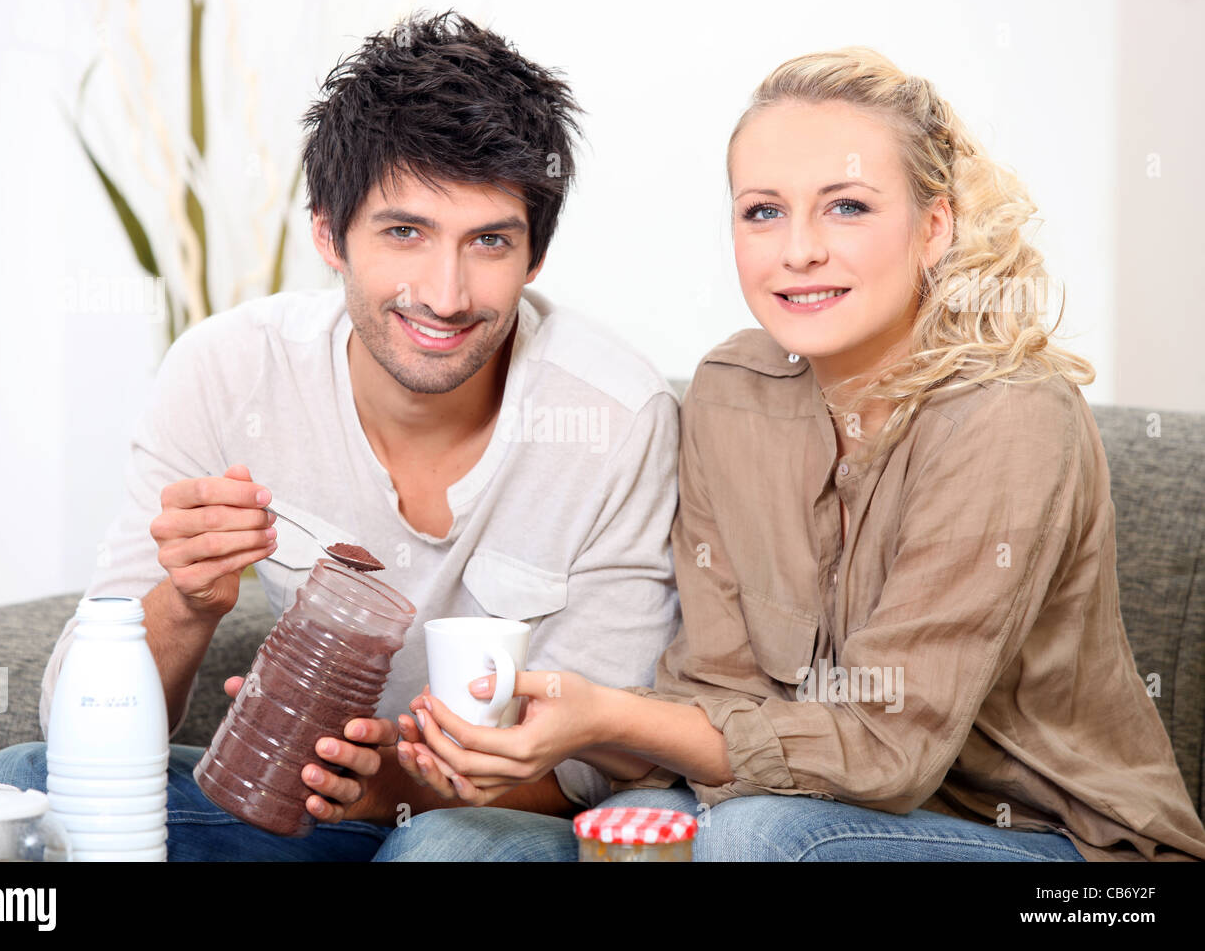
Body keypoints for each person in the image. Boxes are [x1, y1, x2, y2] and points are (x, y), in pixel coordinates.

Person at [376, 47, 1205, 862]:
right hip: (770, 802)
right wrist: (550, 749)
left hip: (1054, 852)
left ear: (934, 228)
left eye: (846, 207)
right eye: (763, 211)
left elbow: (890, 751)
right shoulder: (732, 392)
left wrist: (609, 718)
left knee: (758, 839)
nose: (798, 250)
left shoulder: (1010, 416)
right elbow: (716, 689)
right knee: (455, 842)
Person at [0, 11, 680, 860]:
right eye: (404, 232)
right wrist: (188, 603)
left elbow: (613, 768)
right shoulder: (227, 373)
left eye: (489, 241)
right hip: (301, 809)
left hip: (494, 827)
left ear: (535, 259)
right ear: (328, 234)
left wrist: (395, 790)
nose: (444, 295)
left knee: (445, 849)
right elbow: (77, 722)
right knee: (18, 786)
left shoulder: (615, 416)